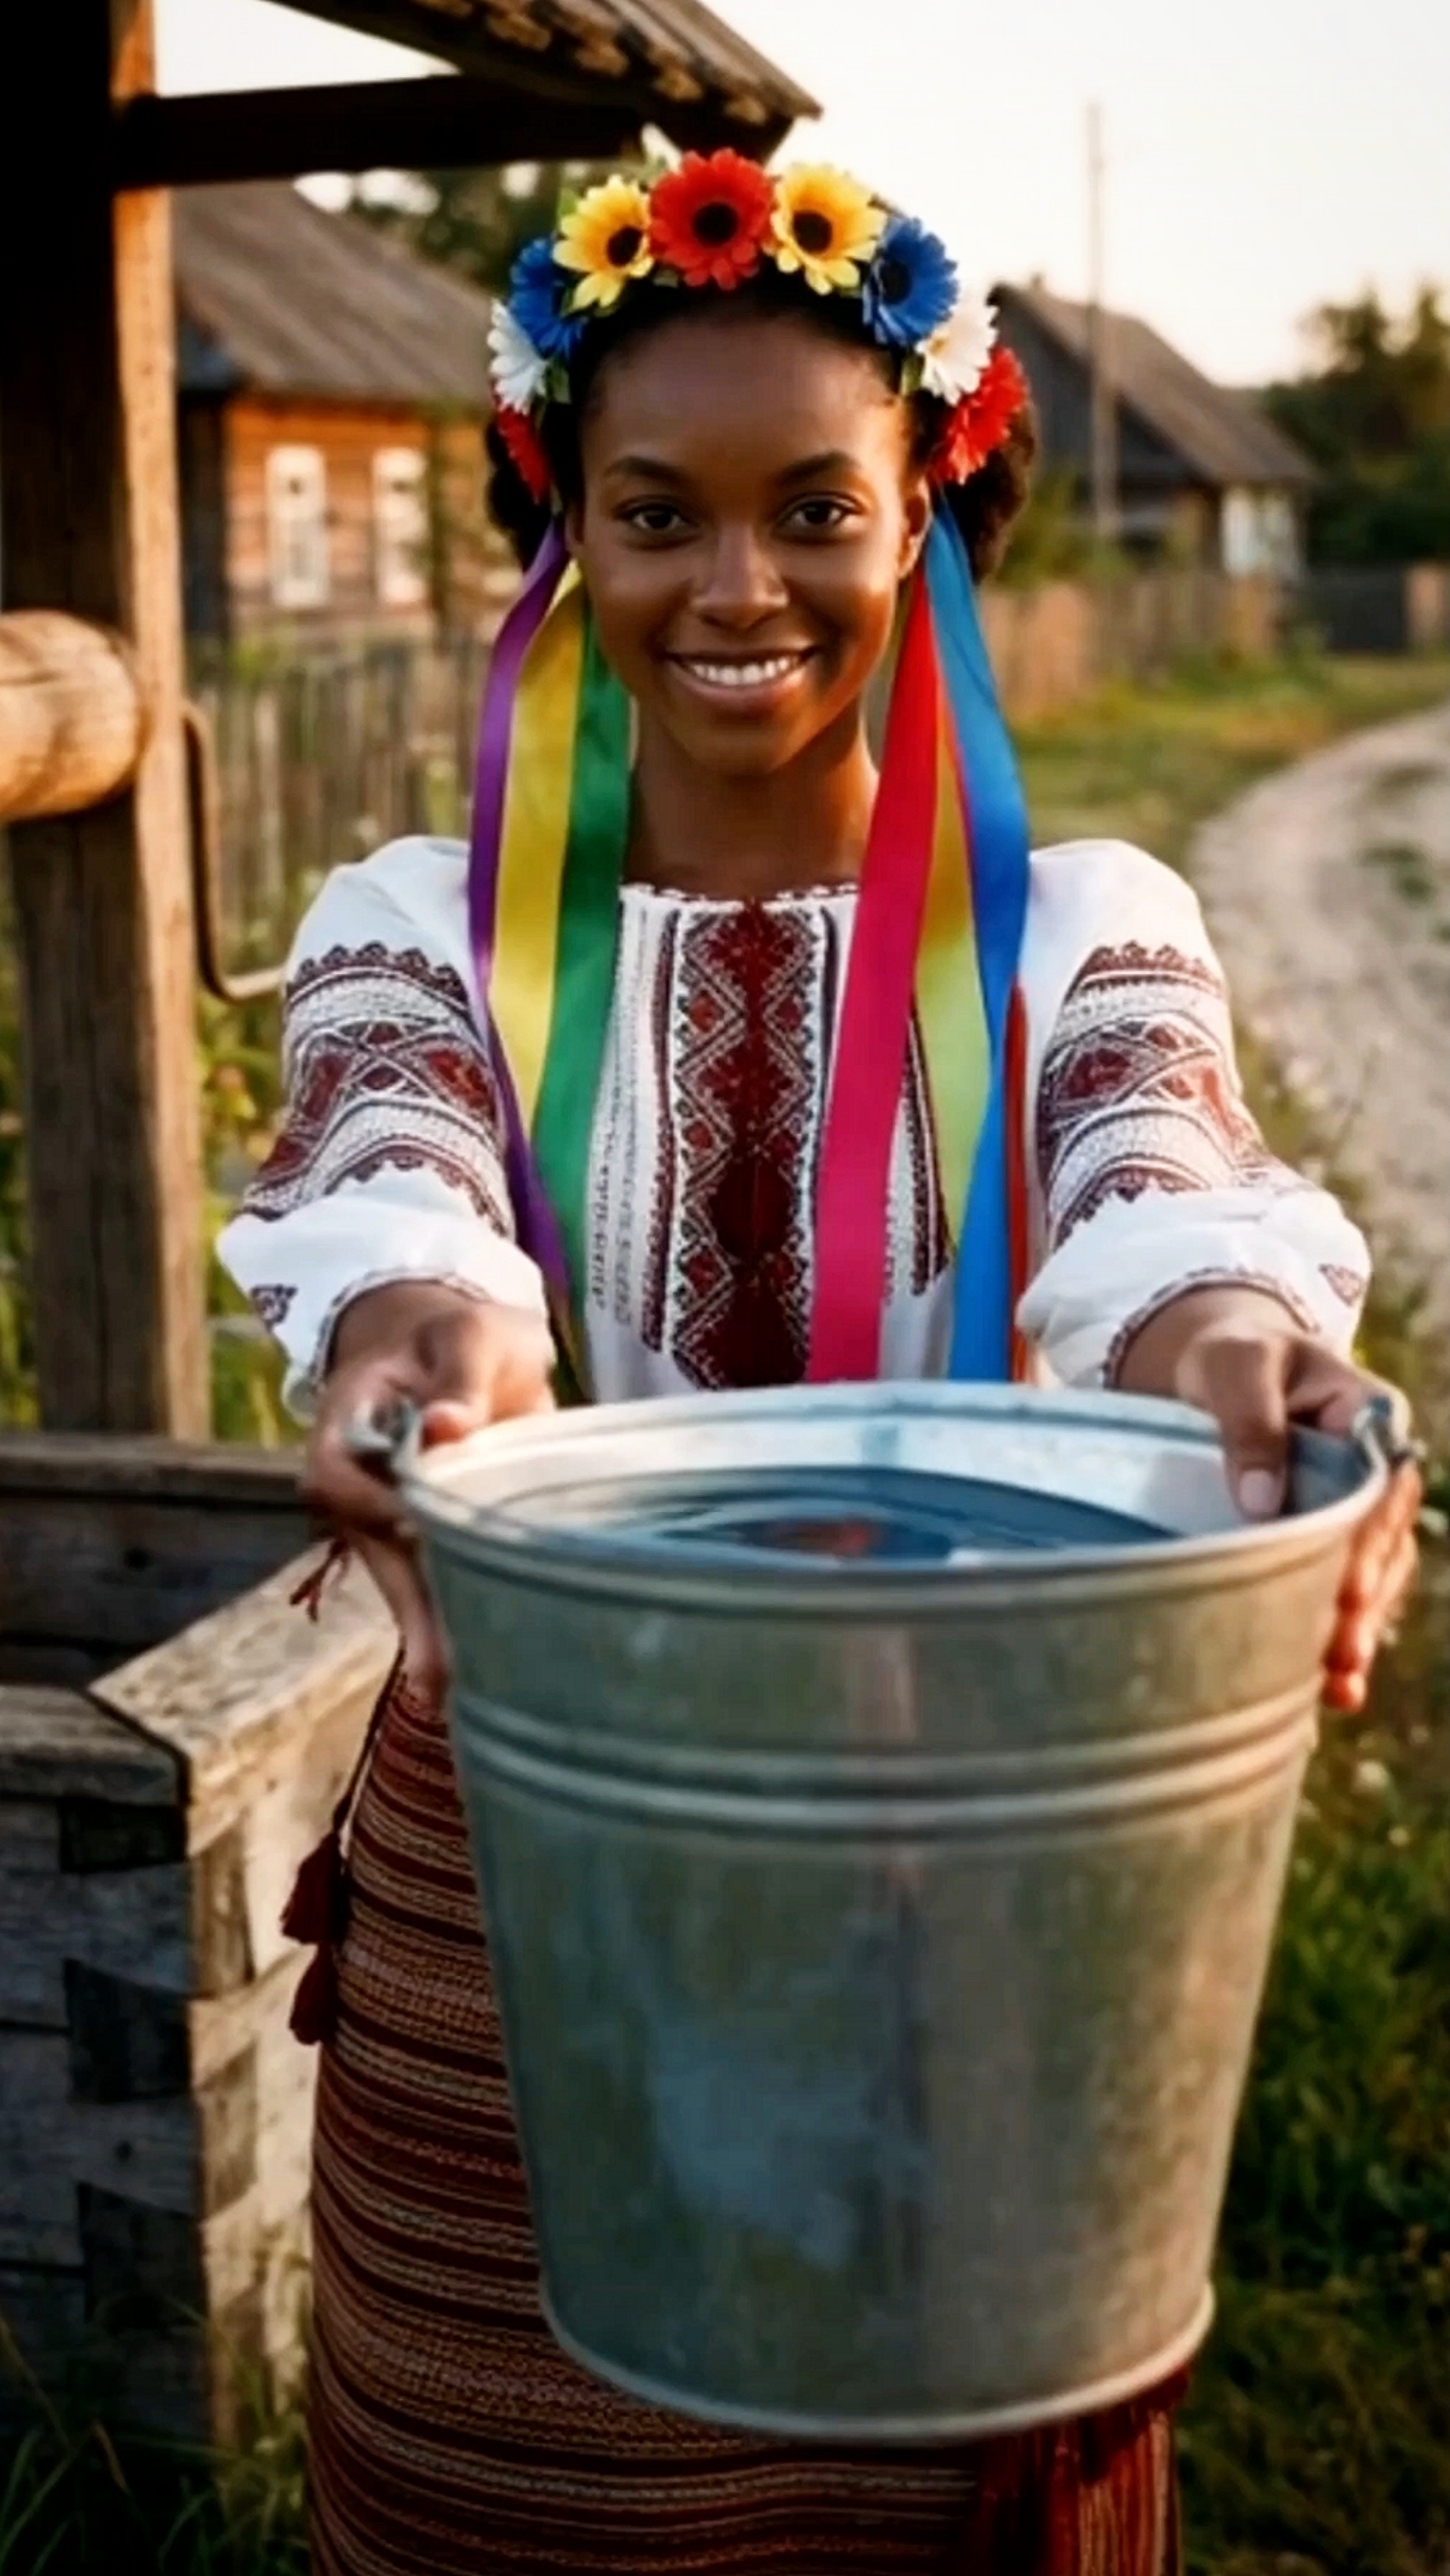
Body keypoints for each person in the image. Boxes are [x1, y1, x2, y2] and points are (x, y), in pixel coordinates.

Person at [220, 156, 1419, 2576]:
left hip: (968, 1865)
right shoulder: (423, 932)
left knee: (939, 2474)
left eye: (815, 509)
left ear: (927, 527)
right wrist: (425, 1367)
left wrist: (1249, 1362)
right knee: (505, 2504)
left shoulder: (1073, 930)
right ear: (568, 529)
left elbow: (1155, 1192)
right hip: (531, 1885)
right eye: (657, 510)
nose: (737, 583)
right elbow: (406, 1193)